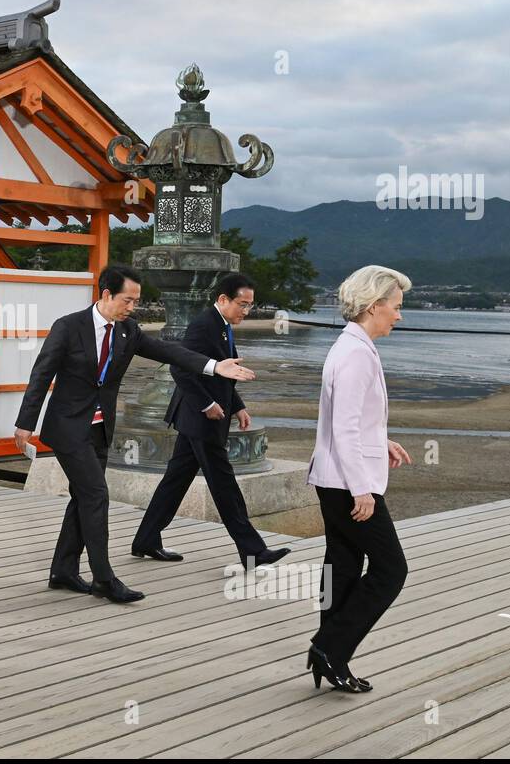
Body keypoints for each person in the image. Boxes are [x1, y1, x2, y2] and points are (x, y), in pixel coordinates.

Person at [14, 264, 255, 603]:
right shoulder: (69, 327)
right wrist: (26, 422)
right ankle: (103, 579)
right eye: (127, 301)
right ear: (106, 295)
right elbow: (41, 375)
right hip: (68, 427)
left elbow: (170, 352)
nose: (132, 308)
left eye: (136, 302)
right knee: (96, 495)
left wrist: (215, 367)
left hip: (100, 428)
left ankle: (64, 570)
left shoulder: (128, 331)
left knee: (82, 497)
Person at [131, 272, 290, 567]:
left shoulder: (223, 325)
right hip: (200, 419)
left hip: (204, 418)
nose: (246, 311)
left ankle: (146, 539)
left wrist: (238, 406)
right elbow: (180, 369)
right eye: (242, 304)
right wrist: (207, 404)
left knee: (175, 482)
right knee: (224, 484)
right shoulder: (204, 325)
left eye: (250, 306)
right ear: (223, 299)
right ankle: (253, 551)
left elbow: (225, 372)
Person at [306, 265, 413, 694]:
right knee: (391, 570)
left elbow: (352, 420)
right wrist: (362, 488)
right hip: (347, 482)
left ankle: (331, 655)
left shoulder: (353, 347)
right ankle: (329, 646)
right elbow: (344, 429)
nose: (400, 316)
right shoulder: (353, 354)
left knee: (344, 565)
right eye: (396, 307)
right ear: (374, 306)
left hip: (336, 477)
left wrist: (380, 439)